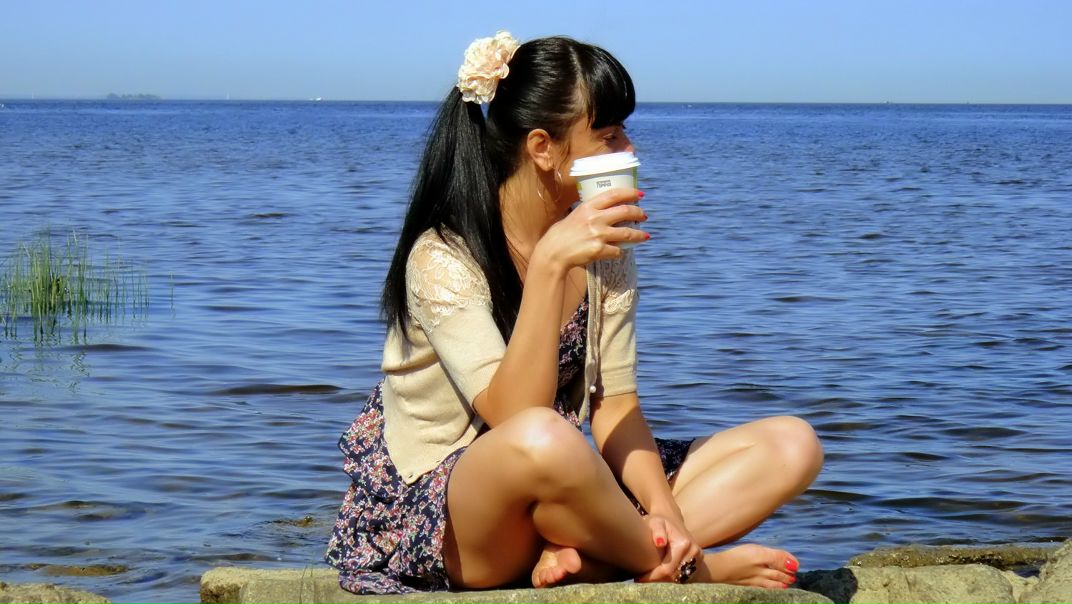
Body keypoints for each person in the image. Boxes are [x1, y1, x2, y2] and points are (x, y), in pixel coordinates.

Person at [325, 31, 824, 594]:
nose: (629, 151)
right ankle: (691, 569)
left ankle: (604, 557)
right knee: (544, 436)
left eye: (625, 131)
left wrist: (665, 509)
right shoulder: (442, 256)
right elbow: (515, 418)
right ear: (543, 148)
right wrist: (549, 266)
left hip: (562, 480)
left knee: (792, 444)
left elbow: (617, 407)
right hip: (453, 516)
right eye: (609, 136)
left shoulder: (604, 244)